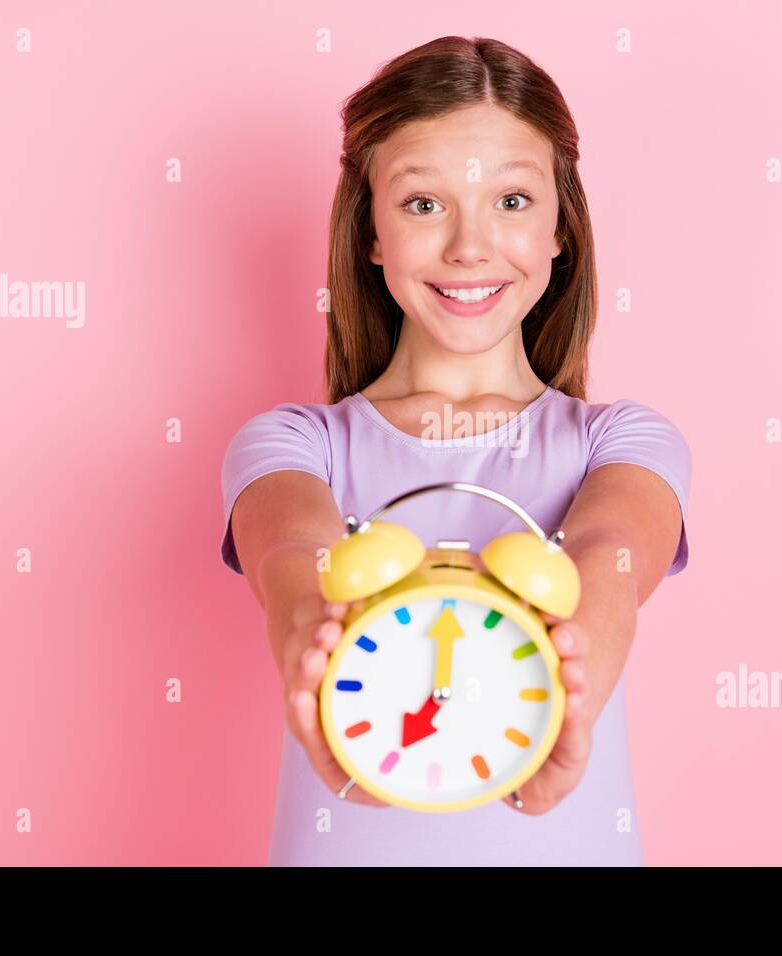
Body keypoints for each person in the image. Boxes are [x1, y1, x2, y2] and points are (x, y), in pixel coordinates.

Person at [220, 36, 692, 866]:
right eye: (424, 203)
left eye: (512, 199)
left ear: (560, 228)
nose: (470, 247)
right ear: (370, 232)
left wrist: (567, 704)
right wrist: (310, 643)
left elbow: (613, 554)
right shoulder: (294, 445)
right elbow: (293, 553)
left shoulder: (621, 442)